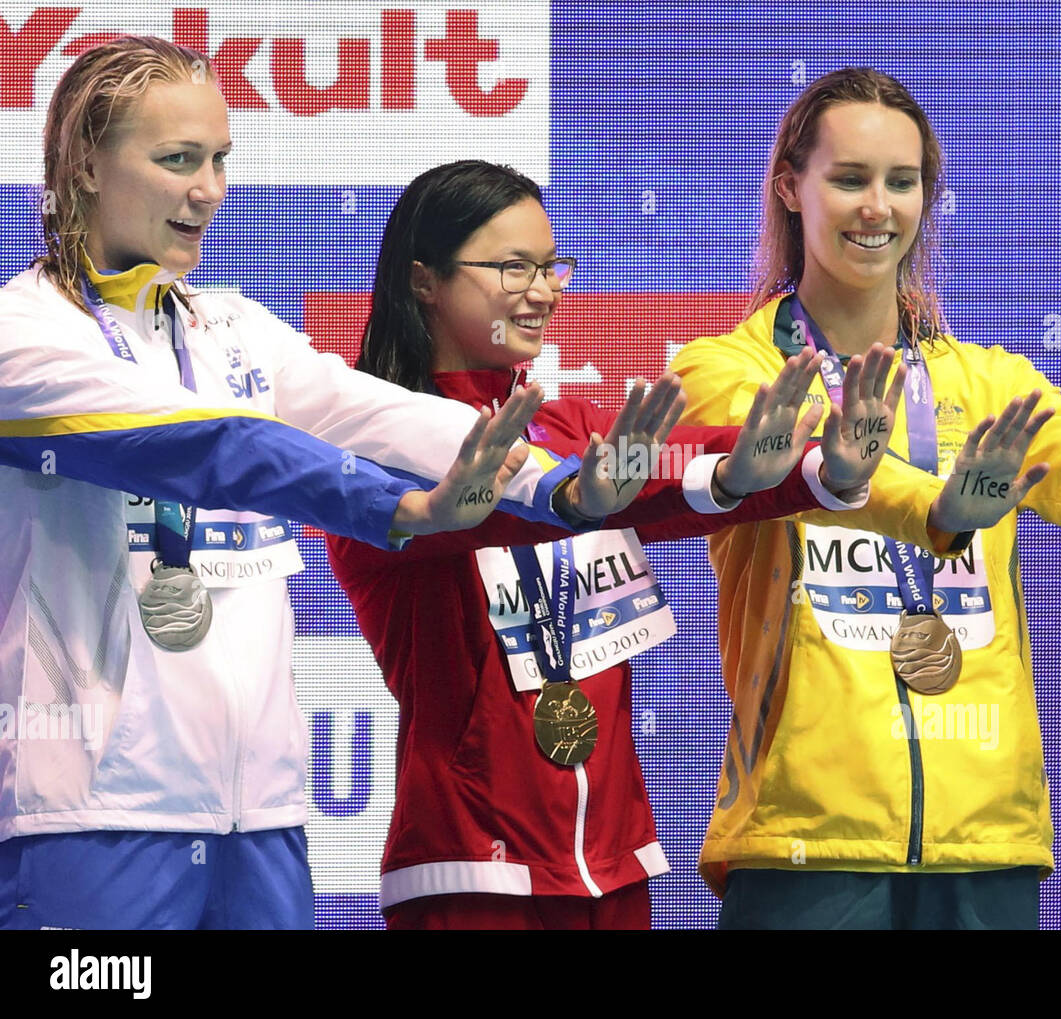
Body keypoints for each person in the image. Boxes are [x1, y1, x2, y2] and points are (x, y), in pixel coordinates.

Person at [0, 36, 673, 931]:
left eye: (220, 160)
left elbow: (384, 414)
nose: (211, 191)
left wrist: (557, 487)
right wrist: (403, 508)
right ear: (85, 162)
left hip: (262, 815)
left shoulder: (236, 330)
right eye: (178, 161)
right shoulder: (23, 336)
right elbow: (216, 448)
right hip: (91, 814)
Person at [325, 159, 1047, 930]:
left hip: (615, 864)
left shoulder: (569, 427)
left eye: (550, 264)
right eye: (511, 267)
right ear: (425, 281)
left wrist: (802, 468)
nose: (543, 289)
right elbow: (514, 504)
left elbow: (679, 471)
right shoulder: (376, 440)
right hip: (469, 867)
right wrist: (584, 498)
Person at [668, 66, 1061, 930]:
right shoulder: (726, 372)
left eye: (901, 182)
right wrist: (942, 512)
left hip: (986, 843)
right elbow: (817, 467)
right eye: (849, 179)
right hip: (805, 842)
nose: (878, 206)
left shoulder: (990, 383)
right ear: (789, 189)